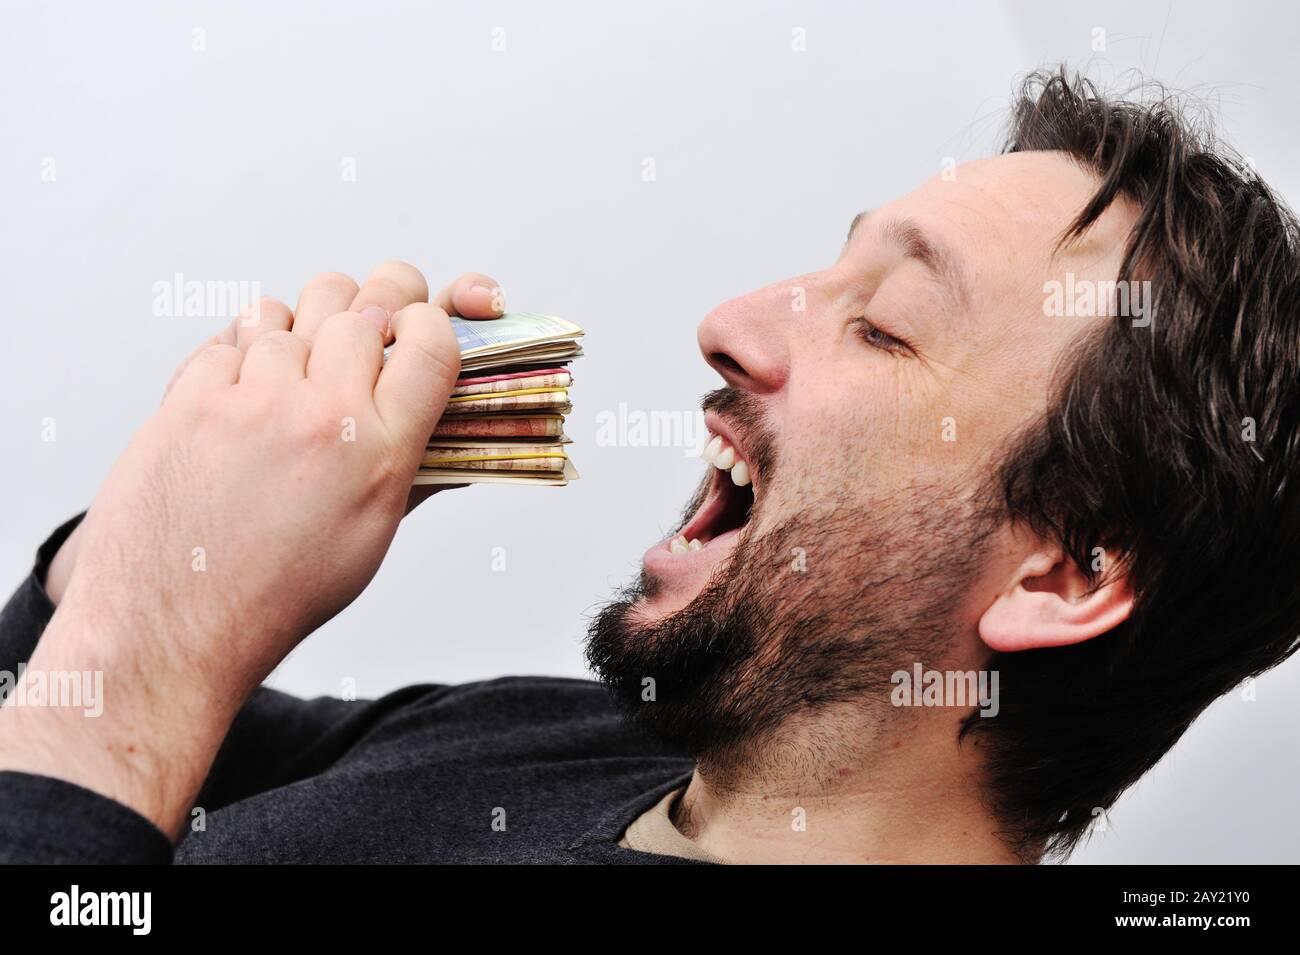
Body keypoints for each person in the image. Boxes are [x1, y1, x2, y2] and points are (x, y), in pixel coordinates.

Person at [3, 69, 1298, 865]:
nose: (731, 319)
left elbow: (92, 761)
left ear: (1064, 573)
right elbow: (42, 749)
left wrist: (134, 675)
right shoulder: (554, 740)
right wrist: (144, 536)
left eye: (882, 322)